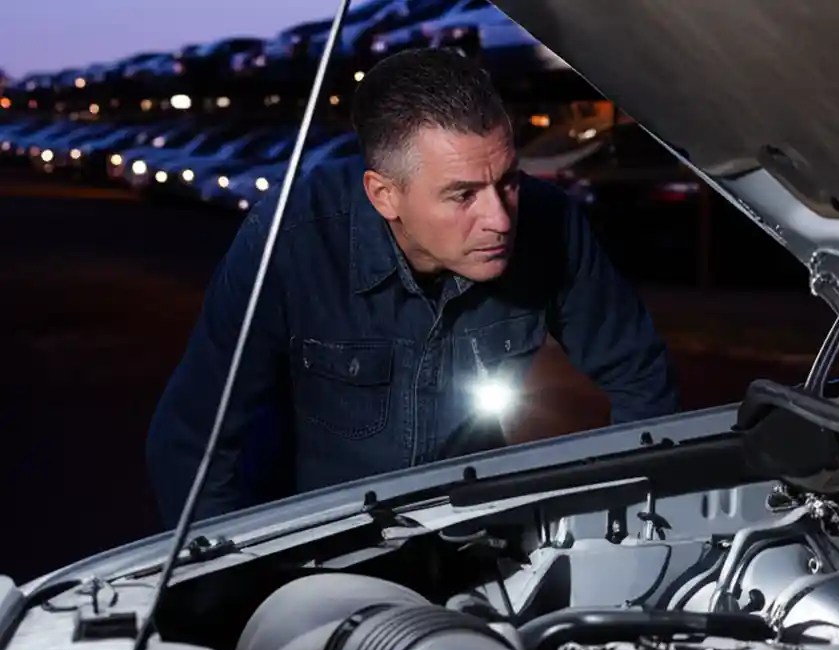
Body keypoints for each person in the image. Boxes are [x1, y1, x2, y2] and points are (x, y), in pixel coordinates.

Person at [145, 49, 679, 527]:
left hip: (476, 533)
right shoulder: (289, 239)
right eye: (462, 195)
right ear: (384, 195)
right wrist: (237, 588)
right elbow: (194, 441)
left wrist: (630, 527)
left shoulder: (551, 223)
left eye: (509, 182)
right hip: (320, 550)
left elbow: (642, 378)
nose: (499, 218)